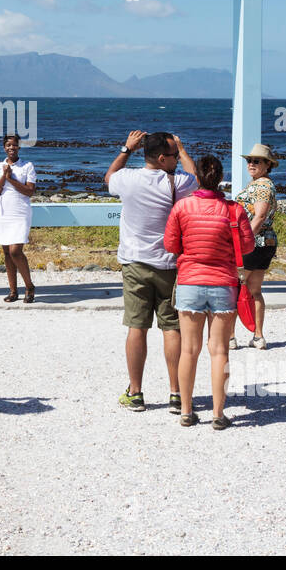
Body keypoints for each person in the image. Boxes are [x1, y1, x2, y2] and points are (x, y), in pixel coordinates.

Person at [106, 130, 198, 413]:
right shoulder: (177, 183)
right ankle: (176, 393)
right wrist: (183, 149)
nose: (176, 159)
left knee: (137, 327)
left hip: (135, 263)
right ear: (162, 158)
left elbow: (109, 178)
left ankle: (135, 392)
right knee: (172, 328)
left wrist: (126, 149)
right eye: (173, 156)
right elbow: (195, 178)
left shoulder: (128, 179)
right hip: (168, 264)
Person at [163, 154, 254, 428]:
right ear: (221, 178)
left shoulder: (182, 206)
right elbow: (247, 246)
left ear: (197, 178)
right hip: (223, 283)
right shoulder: (233, 210)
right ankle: (218, 413)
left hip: (190, 281)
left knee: (189, 350)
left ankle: (186, 411)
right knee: (219, 350)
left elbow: (170, 244)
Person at [234, 144, 280, 350]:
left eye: (256, 161)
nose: (251, 164)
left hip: (254, 243)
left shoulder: (262, 186)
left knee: (235, 288)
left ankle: (230, 337)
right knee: (254, 290)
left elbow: (260, 216)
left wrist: (244, 240)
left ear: (267, 165)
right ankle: (258, 336)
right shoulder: (264, 183)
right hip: (265, 242)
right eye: (249, 161)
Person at [0, 134, 37, 303]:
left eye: (14, 145)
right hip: (3, 211)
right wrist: (4, 176)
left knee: (15, 251)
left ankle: (29, 286)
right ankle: (13, 291)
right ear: (4, 148)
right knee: (7, 253)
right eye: (8, 145)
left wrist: (11, 179)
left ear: (19, 147)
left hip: (20, 211)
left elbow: (29, 191)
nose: (11, 148)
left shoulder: (27, 166)